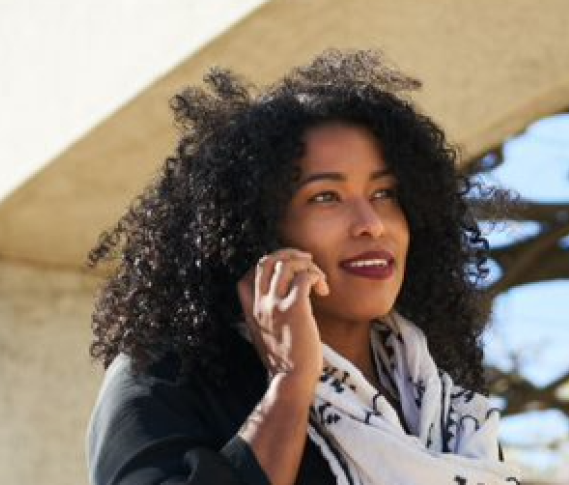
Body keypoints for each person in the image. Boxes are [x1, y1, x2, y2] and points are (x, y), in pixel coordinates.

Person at [87, 49, 519, 485]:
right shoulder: (167, 380)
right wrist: (290, 385)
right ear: (256, 229)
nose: (371, 224)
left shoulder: (446, 408)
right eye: (326, 197)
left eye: (384, 193)